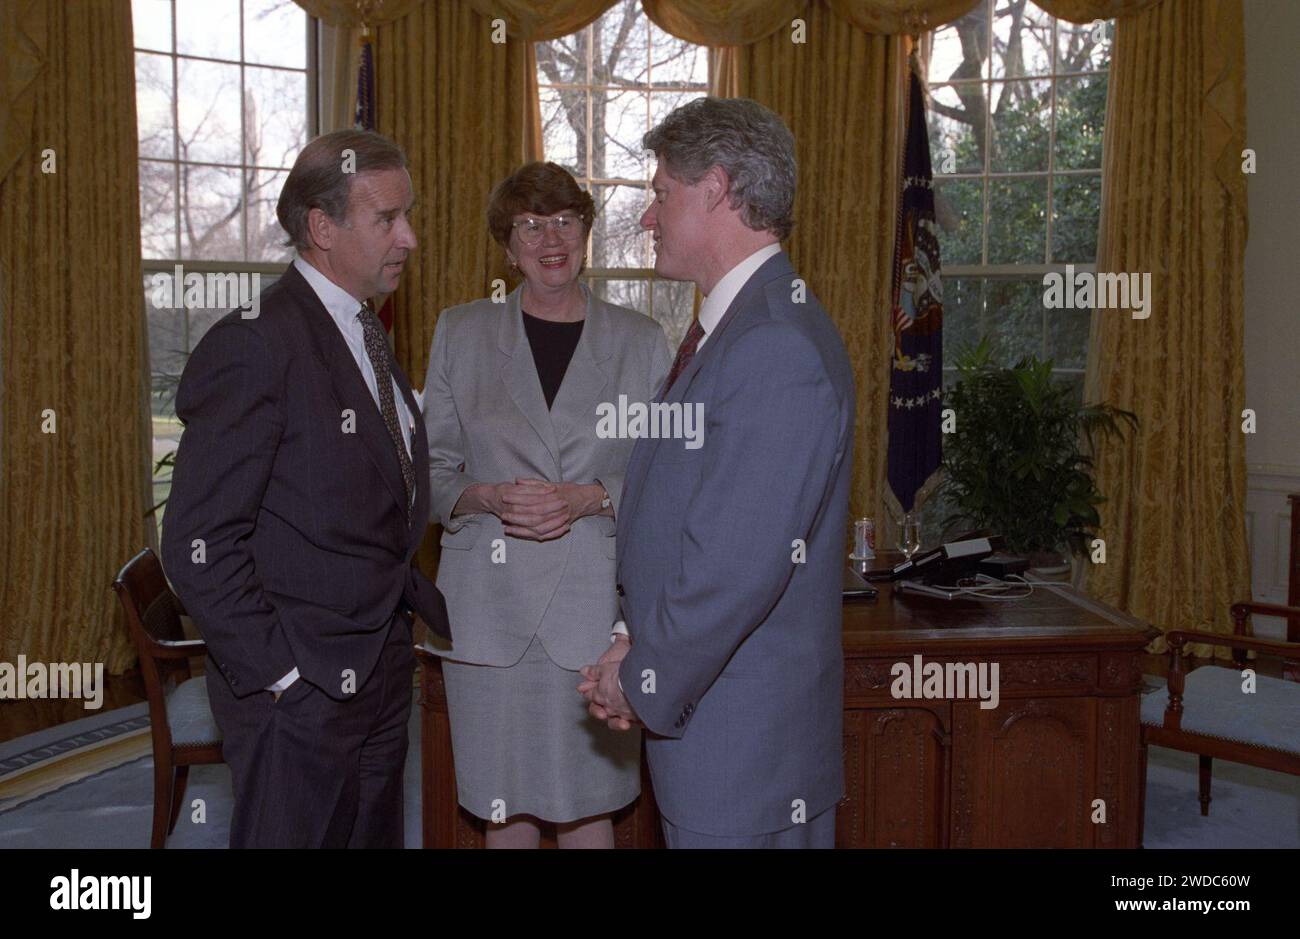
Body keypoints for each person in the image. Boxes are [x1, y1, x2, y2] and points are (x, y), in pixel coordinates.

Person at [579, 97, 856, 849]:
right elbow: (684, 516)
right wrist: (631, 636)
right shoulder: (740, 325)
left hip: (745, 756)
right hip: (724, 739)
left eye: (660, 192)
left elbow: (733, 568)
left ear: (717, 189)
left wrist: (642, 677)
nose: (647, 216)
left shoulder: (774, 346)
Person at [160, 129, 450, 848]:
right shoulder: (256, 343)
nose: (409, 237)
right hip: (301, 691)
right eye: (388, 219)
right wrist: (282, 677)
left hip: (381, 667)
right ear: (322, 227)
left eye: (407, 215)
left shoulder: (364, 328)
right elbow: (198, 543)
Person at [422, 161, 672, 848]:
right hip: (487, 614)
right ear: (507, 246)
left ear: (587, 233)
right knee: (504, 810)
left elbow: (668, 481)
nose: (550, 238)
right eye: (530, 225)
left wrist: (592, 496)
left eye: (565, 220)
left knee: (590, 807)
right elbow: (431, 474)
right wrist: (487, 496)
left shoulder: (641, 342)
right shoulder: (461, 331)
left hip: (595, 616)